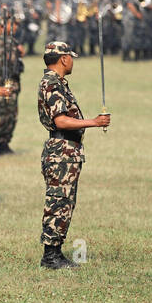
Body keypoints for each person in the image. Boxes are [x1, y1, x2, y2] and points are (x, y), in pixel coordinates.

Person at [36, 40, 109, 269]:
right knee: (58, 202)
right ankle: (51, 256)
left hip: (67, 152)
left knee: (65, 203)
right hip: (61, 152)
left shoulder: (57, 82)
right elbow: (60, 120)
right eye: (71, 57)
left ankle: (55, 252)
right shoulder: (52, 83)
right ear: (63, 59)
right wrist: (94, 123)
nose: (72, 61)